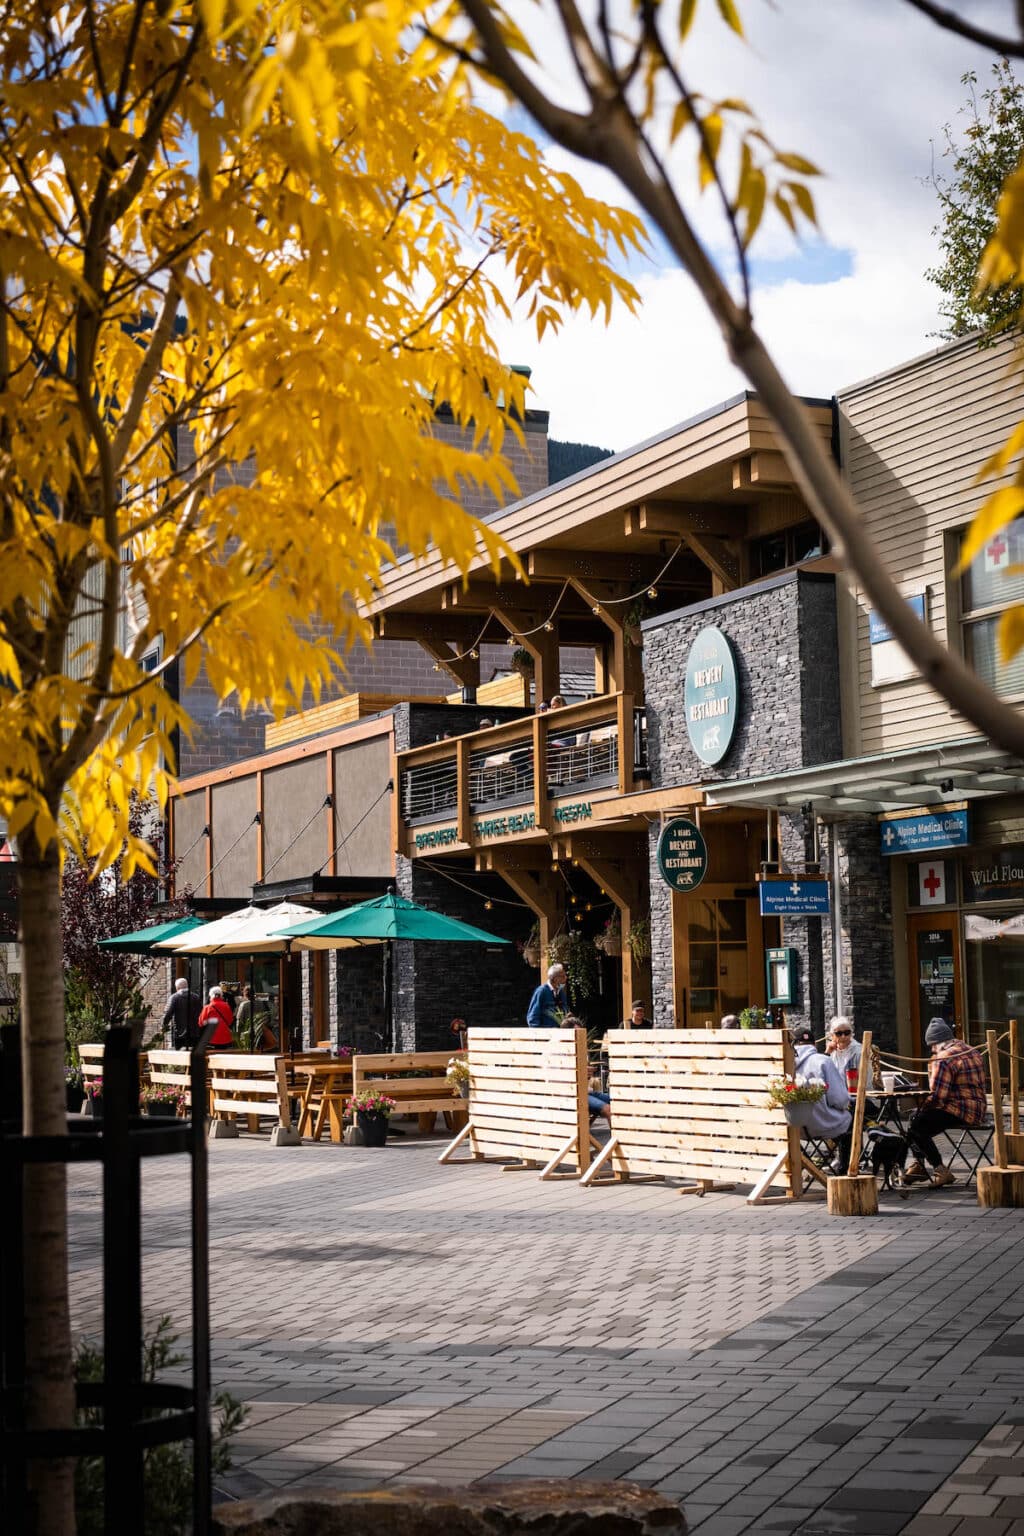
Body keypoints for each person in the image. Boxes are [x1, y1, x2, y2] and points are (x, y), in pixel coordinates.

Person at [904, 1019, 986, 1188]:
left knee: (916, 1125)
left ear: (935, 1042)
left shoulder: (943, 1058)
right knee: (916, 1119)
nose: (932, 1050)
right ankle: (920, 1166)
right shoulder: (971, 1050)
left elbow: (937, 1097)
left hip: (961, 1110)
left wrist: (921, 1106)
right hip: (978, 1109)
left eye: (931, 1046)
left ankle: (940, 1170)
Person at [791, 1027, 853, 1174]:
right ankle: (845, 1170)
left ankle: (809, 1165)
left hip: (793, 1126)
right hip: (821, 1123)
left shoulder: (785, 1063)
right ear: (814, 1044)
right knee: (851, 1119)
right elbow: (840, 1099)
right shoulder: (822, 1061)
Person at [564, 1013, 611, 1123]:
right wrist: (579, 1074)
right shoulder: (556, 1052)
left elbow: (585, 1080)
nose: (579, 1037)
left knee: (621, 1103)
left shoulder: (581, 1050)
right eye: (576, 1033)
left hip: (586, 1091)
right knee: (608, 1109)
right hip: (571, 1095)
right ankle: (619, 1139)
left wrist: (586, 1075)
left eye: (581, 1033)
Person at [162, 977, 200, 1050]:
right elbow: (201, 1013)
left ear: (177, 987)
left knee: (180, 1056)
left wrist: (164, 1025)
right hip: (194, 1033)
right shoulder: (196, 997)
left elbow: (168, 1013)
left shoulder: (174, 997)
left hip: (179, 1033)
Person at [527, 963, 568, 1028]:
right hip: (546, 1034)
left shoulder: (561, 992)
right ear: (555, 978)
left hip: (560, 1033)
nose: (566, 978)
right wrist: (538, 1033)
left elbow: (565, 1010)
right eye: (563, 976)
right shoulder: (542, 991)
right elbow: (533, 1015)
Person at [235, 985, 253, 1049]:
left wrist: (237, 1034)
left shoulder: (244, 1004)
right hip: (260, 1033)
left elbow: (239, 1020)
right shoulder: (261, 1003)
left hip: (247, 1033)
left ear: (245, 993)